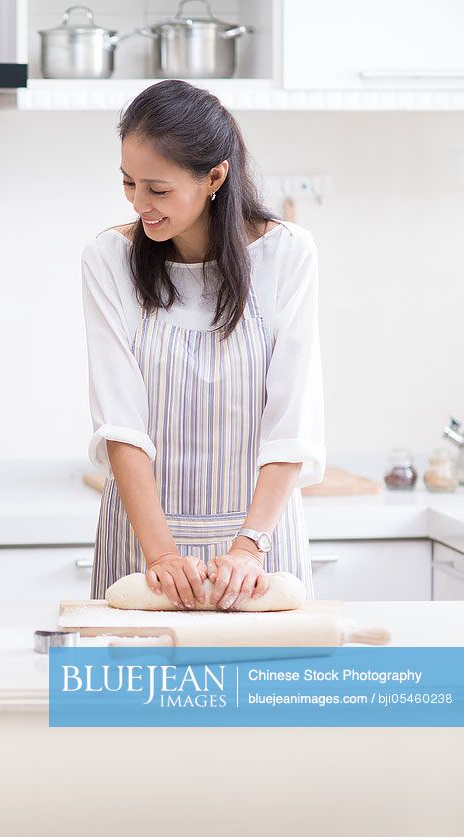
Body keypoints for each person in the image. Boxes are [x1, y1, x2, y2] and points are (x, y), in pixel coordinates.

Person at [82, 80, 324, 610]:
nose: (141, 203)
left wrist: (248, 548)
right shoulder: (108, 258)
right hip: (144, 551)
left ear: (215, 177)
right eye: (129, 183)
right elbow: (121, 424)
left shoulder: (286, 254)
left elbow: (291, 420)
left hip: (259, 548)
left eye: (158, 189)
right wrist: (164, 556)